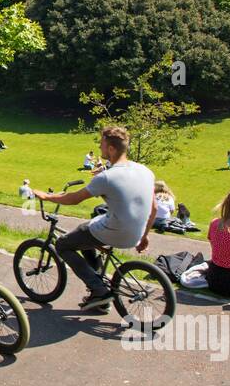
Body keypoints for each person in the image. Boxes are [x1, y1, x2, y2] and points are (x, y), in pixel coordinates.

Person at [32, 126, 155, 312]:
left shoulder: (106, 177)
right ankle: (99, 294)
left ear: (111, 149)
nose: (99, 148)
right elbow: (153, 208)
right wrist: (144, 236)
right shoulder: (145, 171)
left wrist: (47, 197)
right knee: (86, 230)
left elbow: (74, 199)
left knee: (64, 245)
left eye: (102, 145)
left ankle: (99, 289)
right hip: (136, 233)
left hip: (114, 232)